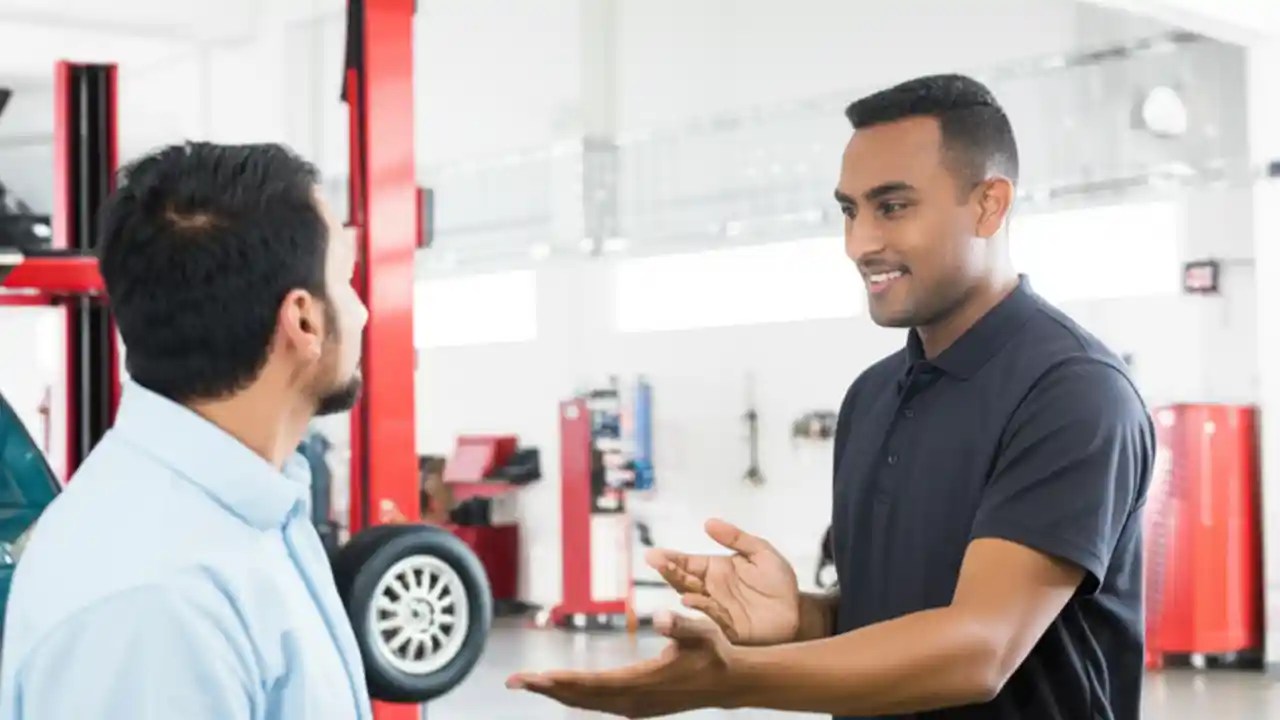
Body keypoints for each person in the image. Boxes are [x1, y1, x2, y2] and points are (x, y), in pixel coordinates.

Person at [507, 74, 1155, 719]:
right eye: (850, 210)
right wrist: (803, 618)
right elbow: (893, 613)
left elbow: (978, 649)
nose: (859, 244)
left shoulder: (1074, 394)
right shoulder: (873, 396)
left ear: (988, 204)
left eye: (893, 207)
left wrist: (731, 681)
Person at [0, 142, 372, 720]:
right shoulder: (153, 605)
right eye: (348, 281)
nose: (364, 310)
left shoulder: (246, 516)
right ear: (303, 320)